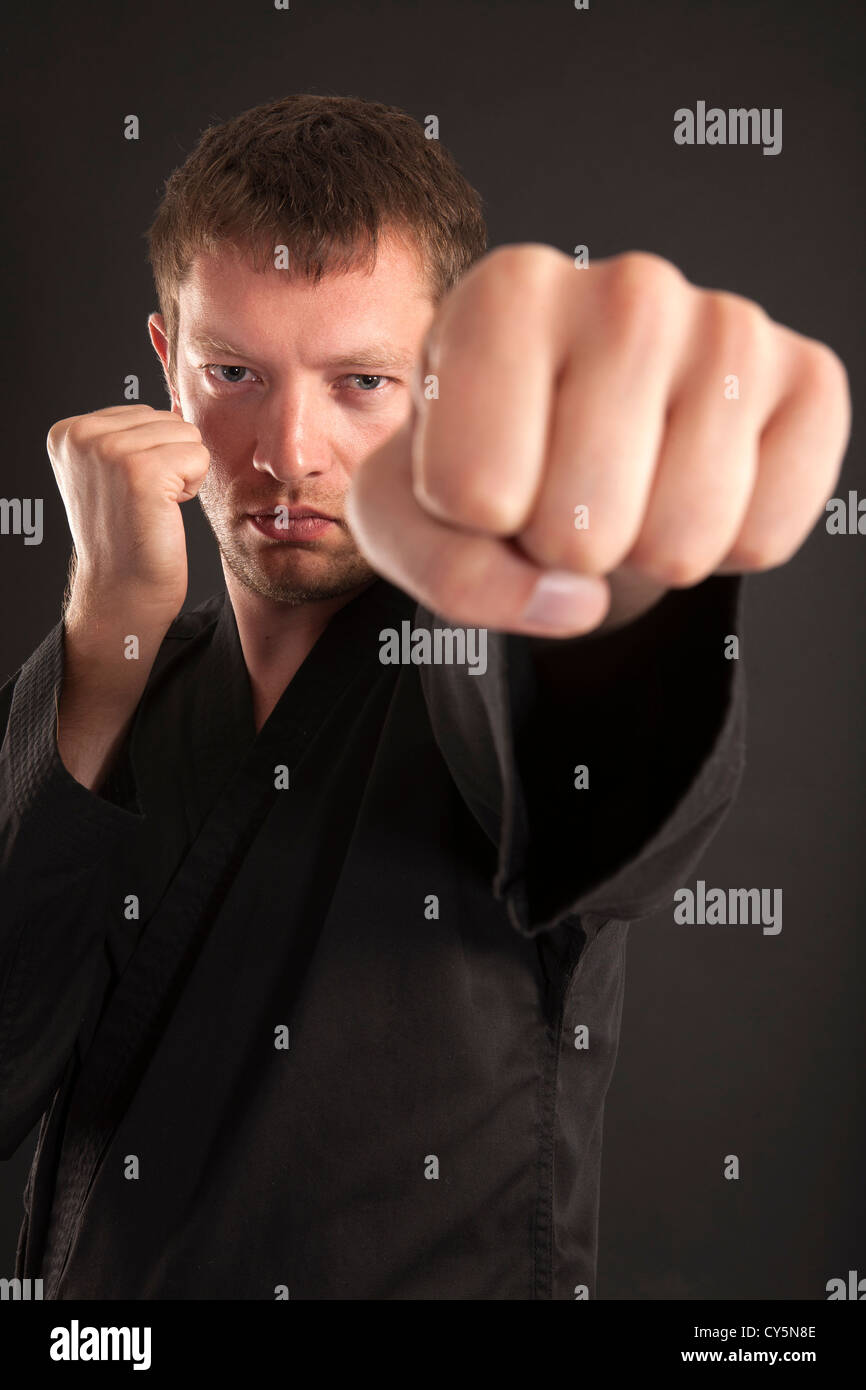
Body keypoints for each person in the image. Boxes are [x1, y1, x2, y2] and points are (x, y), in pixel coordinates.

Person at [0, 93, 849, 1301]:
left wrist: (614, 564)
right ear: (162, 364)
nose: (288, 450)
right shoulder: (113, 675)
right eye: (232, 371)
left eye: (361, 381)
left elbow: (593, 764)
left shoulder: (478, 654)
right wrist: (103, 637)